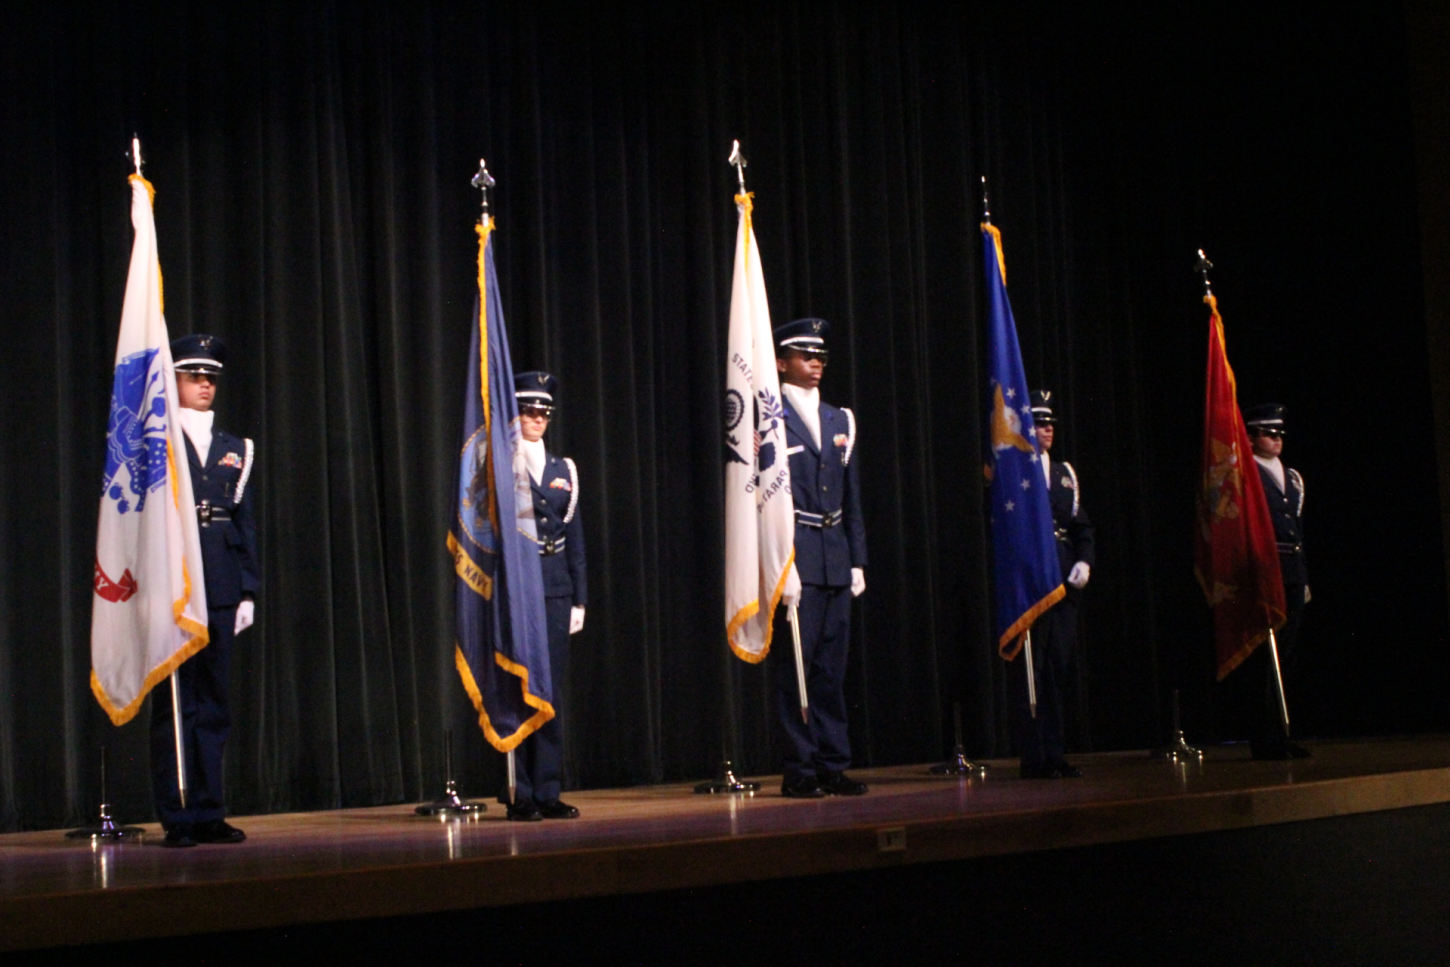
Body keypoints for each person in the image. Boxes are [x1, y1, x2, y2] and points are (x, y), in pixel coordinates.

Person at [152, 334, 258, 847]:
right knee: (177, 704)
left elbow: (245, 522)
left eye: (210, 377)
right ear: (175, 381)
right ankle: (178, 813)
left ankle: (210, 809)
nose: (204, 384)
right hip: (174, 584)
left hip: (218, 582)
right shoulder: (158, 441)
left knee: (214, 703)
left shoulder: (236, 448)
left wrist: (248, 591)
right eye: (194, 376)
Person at [772, 318, 868, 798]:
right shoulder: (768, 419)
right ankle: (801, 769)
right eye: (805, 356)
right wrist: (781, 565)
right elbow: (765, 502)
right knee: (798, 671)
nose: (815, 363)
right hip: (798, 555)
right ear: (782, 362)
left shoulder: (839, 419)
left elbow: (850, 496)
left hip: (834, 554)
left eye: (821, 357)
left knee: (831, 670)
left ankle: (833, 763)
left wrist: (856, 560)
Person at [507, 371, 587, 820]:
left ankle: (548, 789)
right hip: (519, 585)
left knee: (550, 692)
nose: (536, 419)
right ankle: (519, 792)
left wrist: (579, 598)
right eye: (528, 411)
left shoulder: (563, 470)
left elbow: (575, 537)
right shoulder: (501, 464)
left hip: (555, 585)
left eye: (543, 412)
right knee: (520, 687)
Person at [1017, 389, 1094, 779]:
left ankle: (1056, 751)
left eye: (1051, 424)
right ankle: (1034, 755)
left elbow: (1082, 527)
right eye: (1041, 423)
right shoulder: (1017, 470)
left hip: (1063, 581)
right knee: (1034, 670)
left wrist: (1084, 560)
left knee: (1058, 670)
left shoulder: (1065, 473)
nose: (1048, 430)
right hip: (1031, 581)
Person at [1243, 403, 1311, 760]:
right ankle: (1265, 737)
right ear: (1252, 437)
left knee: (1287, 655)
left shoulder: (1294, 478)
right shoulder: (1247, 476)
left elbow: (1296, 531)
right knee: (1264, 659)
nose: (1276, 440)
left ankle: (1283, 734)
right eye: (1269, 434)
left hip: (1292, 573)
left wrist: (1304, 578)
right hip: (1265, 573)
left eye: (1280, 434)